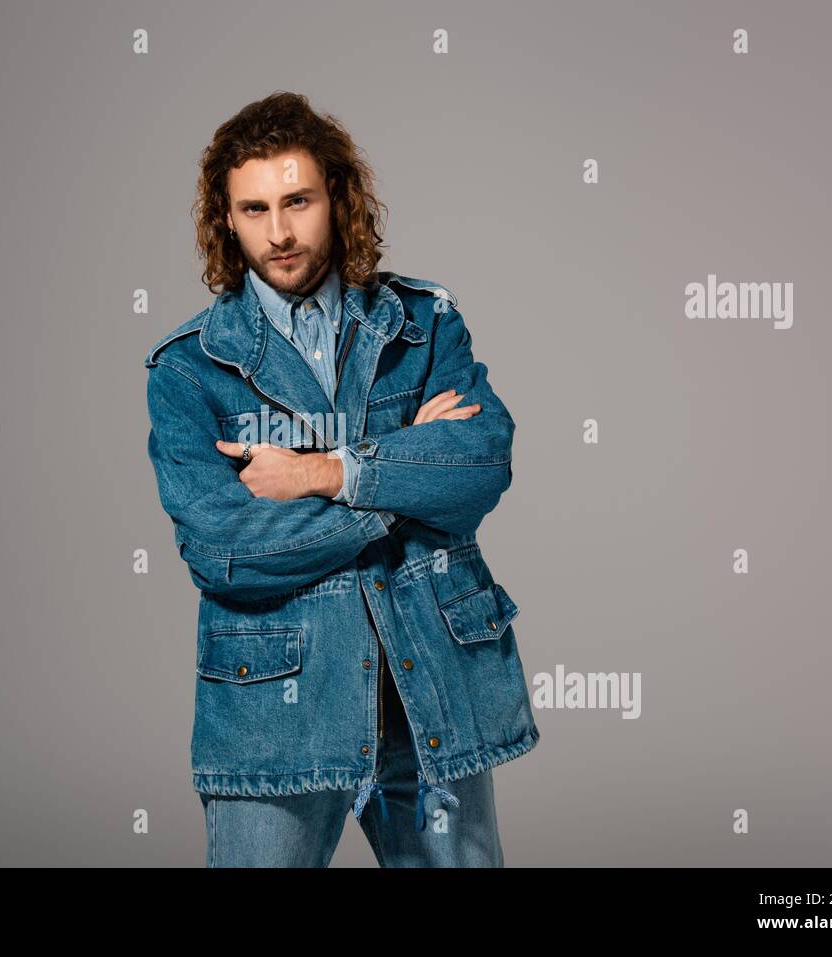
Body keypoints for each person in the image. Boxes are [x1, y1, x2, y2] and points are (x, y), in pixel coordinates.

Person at [144, 91, 540, 867]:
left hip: (429, 690)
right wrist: (400, 483)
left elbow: (483, 462)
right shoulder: (189, 369)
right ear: (226, 218)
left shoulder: (424, 323)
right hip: (277, 710)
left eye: (298, 201)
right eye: (254, 209)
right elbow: (225, 550)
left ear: (339, 197)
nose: (280, 232)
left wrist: (326, 472)